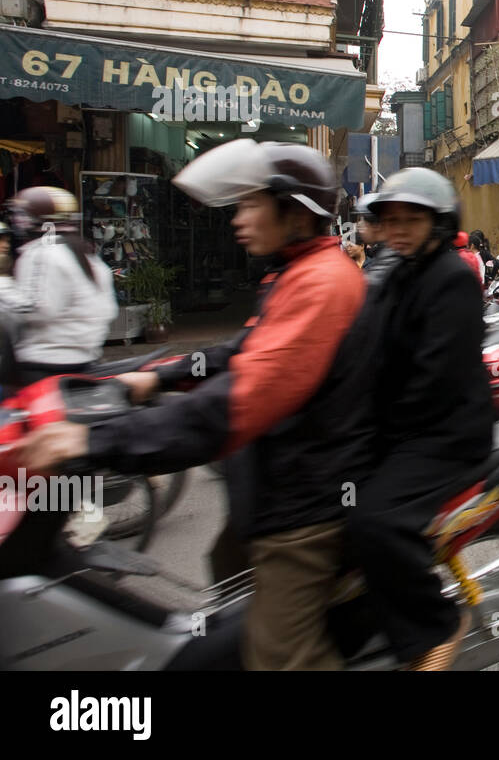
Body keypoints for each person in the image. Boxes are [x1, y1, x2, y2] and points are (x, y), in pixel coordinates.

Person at [16, 140, 374, 669]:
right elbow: (236, 354)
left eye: (251, 204)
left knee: (279, 655)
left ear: (295, 214)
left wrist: (93, 439)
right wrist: (153, 380)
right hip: (271, 482)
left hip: (307, 507)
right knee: (221, 592)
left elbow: (234, 404)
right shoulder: (293, 274)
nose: (238, 219)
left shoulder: (322, 283)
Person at [347, 167, 495, 671]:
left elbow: (433, 378)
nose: (400, 229)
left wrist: (375, 425)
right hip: (401, 426)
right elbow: (367, 348)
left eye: (413, 219)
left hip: (445, 433)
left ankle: (438, 622)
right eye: (392, 220)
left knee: (375, 519)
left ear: (436, 223)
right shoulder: (396, 270)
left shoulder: (452, 278)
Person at [2, 187, 118, 386]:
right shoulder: (87, 255)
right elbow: (108, 310)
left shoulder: (42, 253)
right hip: (85, 360)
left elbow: (38, 309)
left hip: (44, 365)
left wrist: (3, 288)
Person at [353, 194, 400, 284]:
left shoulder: (382, 268)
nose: (359, 224)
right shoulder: (384, 255)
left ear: (376, 226)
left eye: (363, 219)